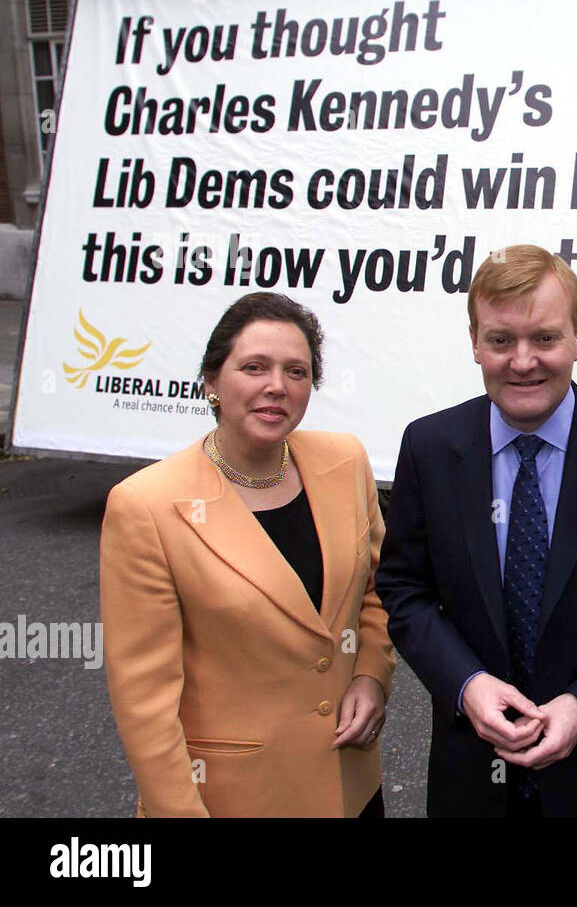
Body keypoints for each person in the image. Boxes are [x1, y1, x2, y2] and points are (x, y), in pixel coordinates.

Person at [377, 244, 577, 817]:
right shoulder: (429, 447)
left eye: (545, 338)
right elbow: (406, 591)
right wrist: (466, 685)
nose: (523, 361)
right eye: (501, 339)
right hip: (470, 778)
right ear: (475, 343)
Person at [100, 293, 395, 817]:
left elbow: (378, 590)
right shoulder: (146, 506)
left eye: (296, 371)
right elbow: (145, 702)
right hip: (234, 800)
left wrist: (371, 674)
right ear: (212, 383)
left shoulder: (344, 461)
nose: (276, 386)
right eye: (253, 367)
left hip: (348, 784)